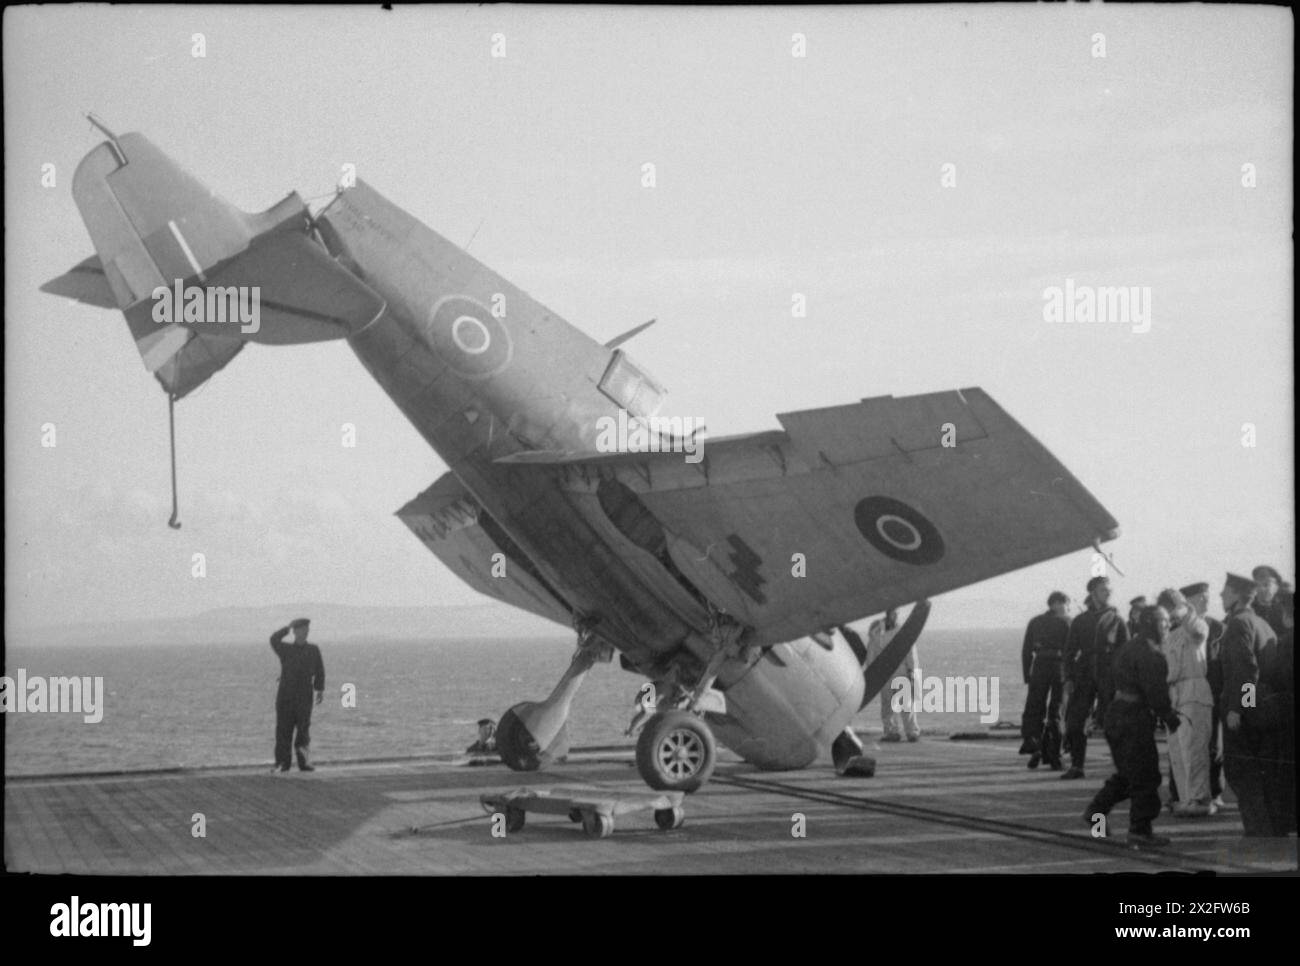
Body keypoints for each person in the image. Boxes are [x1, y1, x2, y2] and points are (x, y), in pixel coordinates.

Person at [1083, 605, 1181, 848]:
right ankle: (1140, 830)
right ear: (1150, 623)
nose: (1167, 625)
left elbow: (1106, 680)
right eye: (1163, 621)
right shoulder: (1151, 653)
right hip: (1133, 719)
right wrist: (1169, 716)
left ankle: (1096, 812)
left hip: (1115, 715)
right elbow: (1156, 692)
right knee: (1146, 777)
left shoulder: (1128, 647)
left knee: (1128, 775)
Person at [1219, 572, 1281, 835]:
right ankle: (1266, 826)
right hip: (1263, 706)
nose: (1221, 596)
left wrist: (1238, 707)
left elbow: (1247, 669)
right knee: (1258, 770)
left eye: (1225, 592)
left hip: (1246, 708)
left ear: (1236, 595)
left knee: (1242, 770)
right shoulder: (1260, 623)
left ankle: (1257, 829)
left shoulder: (1239, 624)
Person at [1061, 576, 1129, 779]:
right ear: (1093, 593)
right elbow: (1069, 652)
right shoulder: (1080, 621)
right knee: (1074, 722)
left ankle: (1122, 768)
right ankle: (1077, 766)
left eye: (1109, 590)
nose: (1108, 593)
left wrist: (1124, 682)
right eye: (1103, 590)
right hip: (1084, 675)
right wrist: (1069, 678)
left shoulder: (1117, 620)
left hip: (1109, 675)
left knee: (1113, 723)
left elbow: (1125, 651)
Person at [1156, 588, 1212, 816]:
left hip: (1193, 690)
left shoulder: (1196, 626)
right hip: (1174, 695)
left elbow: (1198, 632)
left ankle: (1199, 799)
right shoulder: (1170, 636)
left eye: (1172, 609)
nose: (1171, 615)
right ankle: (1186, 798)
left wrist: (1185, 608)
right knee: (1178, 752)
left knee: (1194, 749)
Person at [1180, 582, 1227, 809]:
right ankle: (1182, 794)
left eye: (1207, 597)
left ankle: (1215, 792)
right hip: (1188, 693)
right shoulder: (1177, 627)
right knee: (1186, 745)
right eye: (1201, 597)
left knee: (1214, 747)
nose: (1207, 601)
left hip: (1213, 691)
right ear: (1189, 602)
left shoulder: (1217, 626)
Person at [1020, 591, 1071, 770]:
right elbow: (1072, 651)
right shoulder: (1068, 622)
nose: (1068, 608)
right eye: (1066, 604)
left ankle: (1035, 745)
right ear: (1058, 603)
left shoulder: (1035, 622)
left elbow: (1026, 650)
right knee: (1056, 711)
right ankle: (1055, 754)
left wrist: (1027, 675)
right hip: (1059, 667)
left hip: (1039, 665)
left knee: (1035, 708)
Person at [269, 618, 325, 773]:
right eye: (301, 629)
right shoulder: (285, 649)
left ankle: (304, 763)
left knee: (303, 732)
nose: (305, 632)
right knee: (283, 732)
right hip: (286, 697)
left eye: (307, 629)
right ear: (295, 632)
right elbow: (273, 640)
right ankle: (282, 764)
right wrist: (287, 627)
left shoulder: (313, 650)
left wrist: (319, 689)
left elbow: (319, 670)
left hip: (304, 697)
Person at [869, 610, 920, 742]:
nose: (895, 617)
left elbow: (910, 653)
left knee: (906, 703)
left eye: (895, 614)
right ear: (888, 615)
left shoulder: (902, 633)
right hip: (885, 673)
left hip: (899, 671)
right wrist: (873, 672)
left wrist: (911, 671)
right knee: (888, 705)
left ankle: (911, 732)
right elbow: (871, 654)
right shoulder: (877, 634)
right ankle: (893, 732)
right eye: (892, 614)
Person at [1251, 565, 1287, 637]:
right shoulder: (1247, 607)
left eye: (1266, 585)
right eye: (1257, 585)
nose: (1261, 589)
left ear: (1276, 587)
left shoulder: (1285, 609)